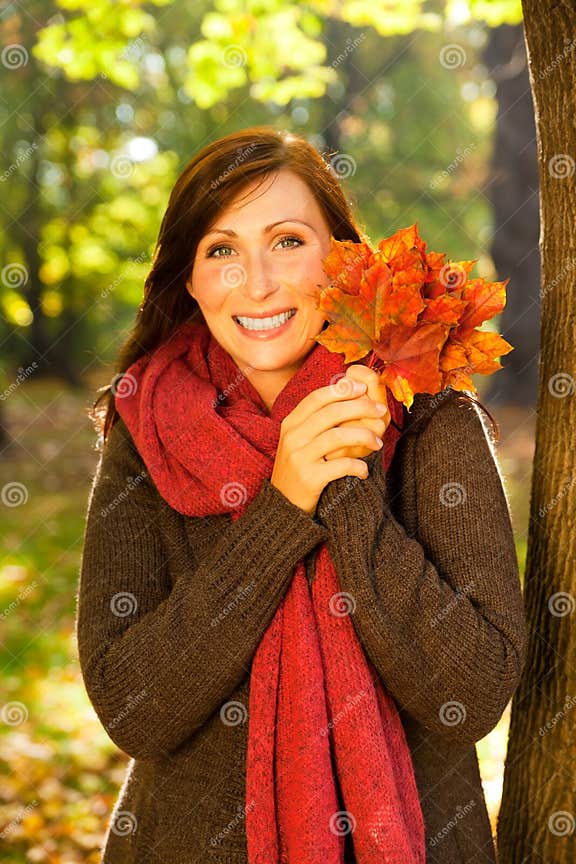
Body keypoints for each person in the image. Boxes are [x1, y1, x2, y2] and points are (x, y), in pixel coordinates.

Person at [78, 126, 527, 864]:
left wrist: (344, 485)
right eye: (221, 250)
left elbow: (471, 694)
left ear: (344, 257)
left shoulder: (432, 416)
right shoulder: (146, 426)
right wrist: (283, 507)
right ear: (189, 278)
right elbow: (133, 707)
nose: (256, 282)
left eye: (287, 240)